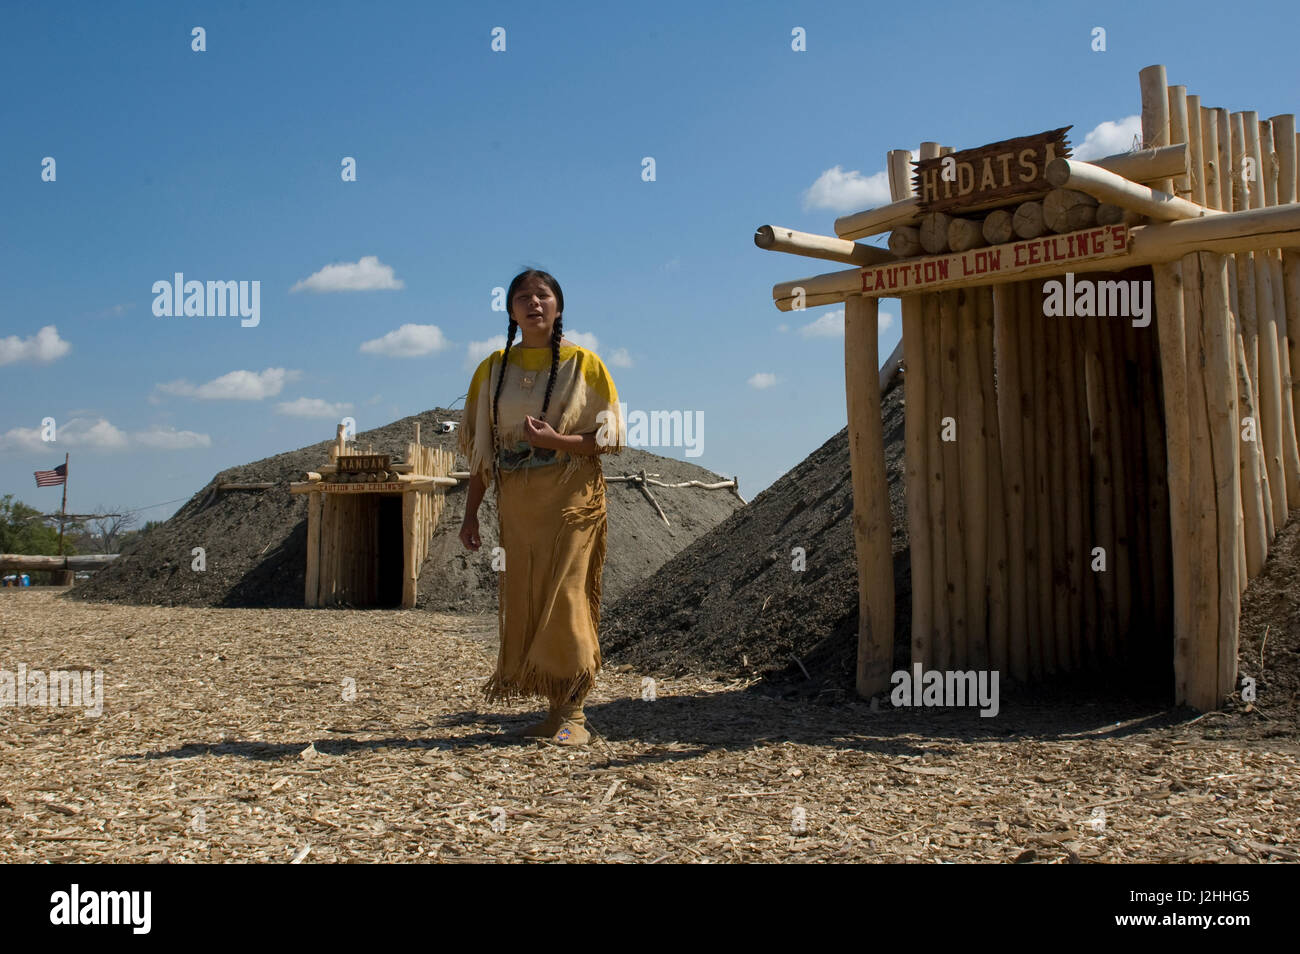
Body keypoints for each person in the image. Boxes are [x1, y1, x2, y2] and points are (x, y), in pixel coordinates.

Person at [458, 269, 624, 745]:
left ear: (558, 306)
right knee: (531, 597)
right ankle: (555, 712)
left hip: (573, 498)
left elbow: (610, 439)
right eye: (523, 297)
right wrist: (471, 513)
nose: (534, 303)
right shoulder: (492, 369)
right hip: (520, 503)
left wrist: (557, 440)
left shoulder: (585, 362)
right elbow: (482, 451)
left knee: (566, 596)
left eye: (543, 295)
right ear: (510, 309)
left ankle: (575, 714)